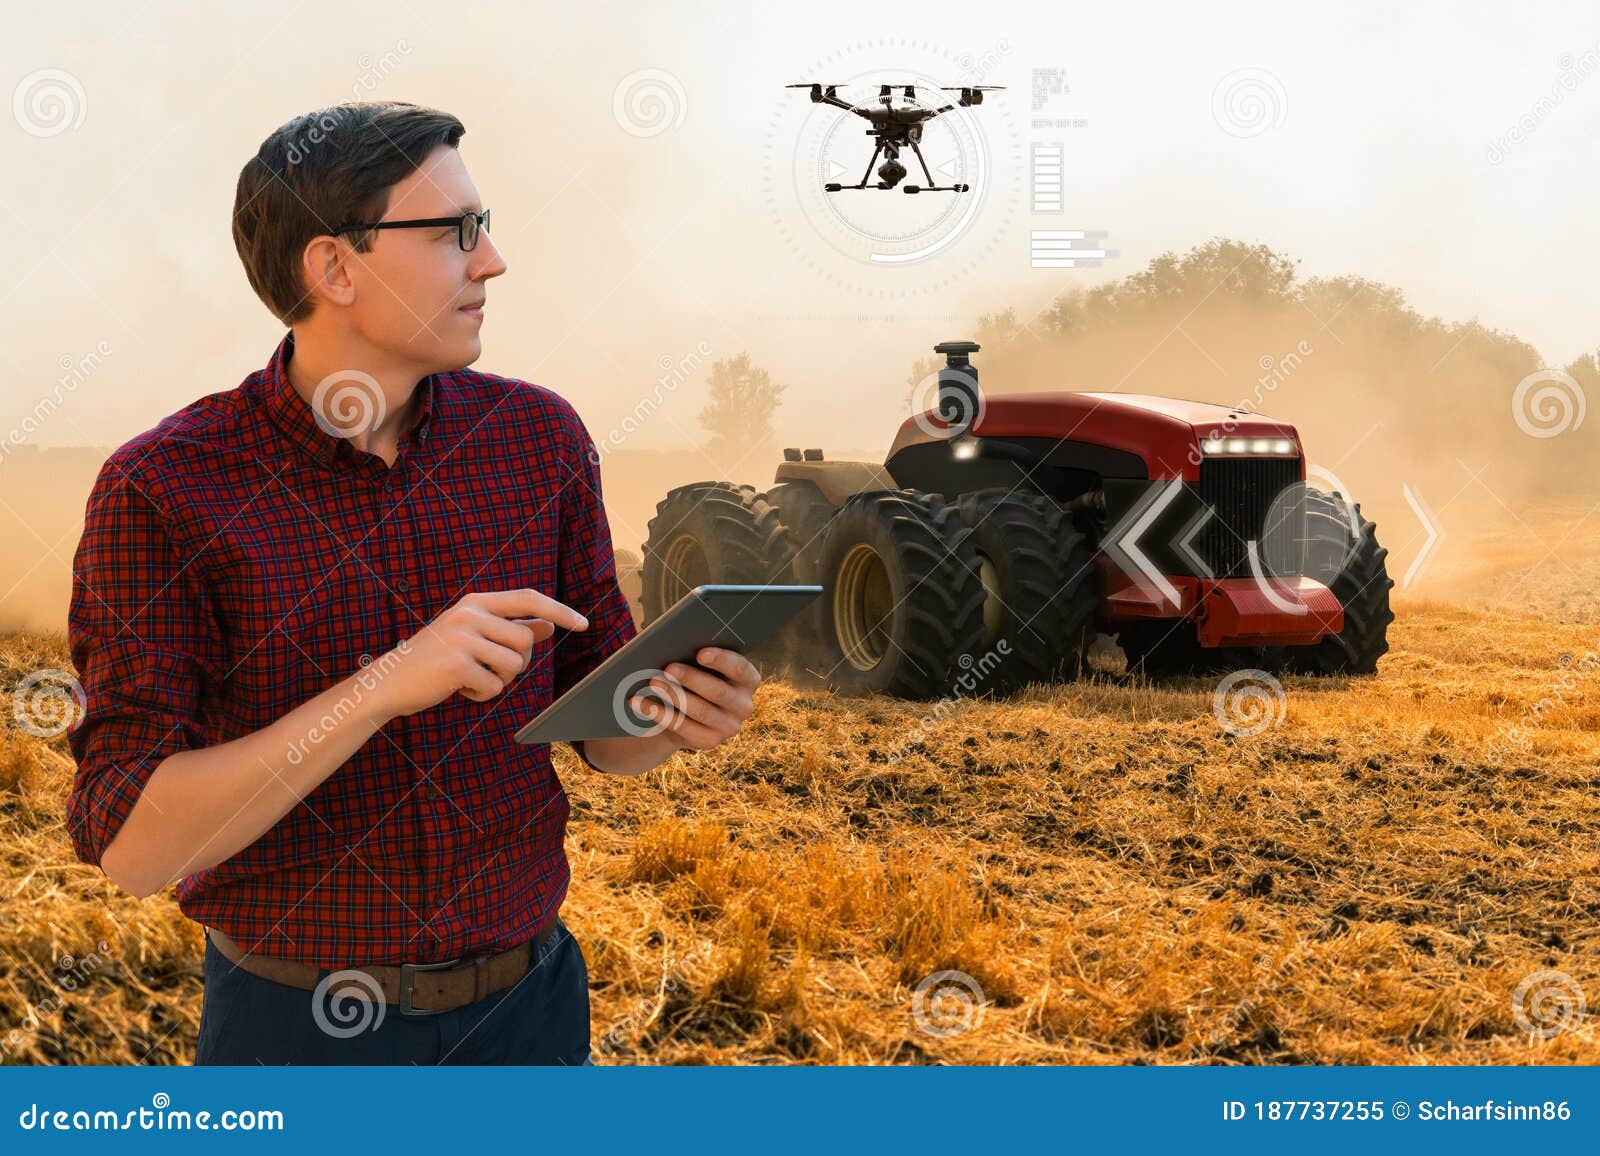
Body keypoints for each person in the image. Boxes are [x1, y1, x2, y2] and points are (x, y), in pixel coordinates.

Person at [63, 101, 761, 1065]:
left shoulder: (537, 441)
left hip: (533, 1016)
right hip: (298, 1038)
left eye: (485, 226)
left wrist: (673, 712)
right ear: (334, 266)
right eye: (455, 233)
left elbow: (602, 735)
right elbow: (135, 845)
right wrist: (383, 685)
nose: (492, 260)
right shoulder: (165, 488)